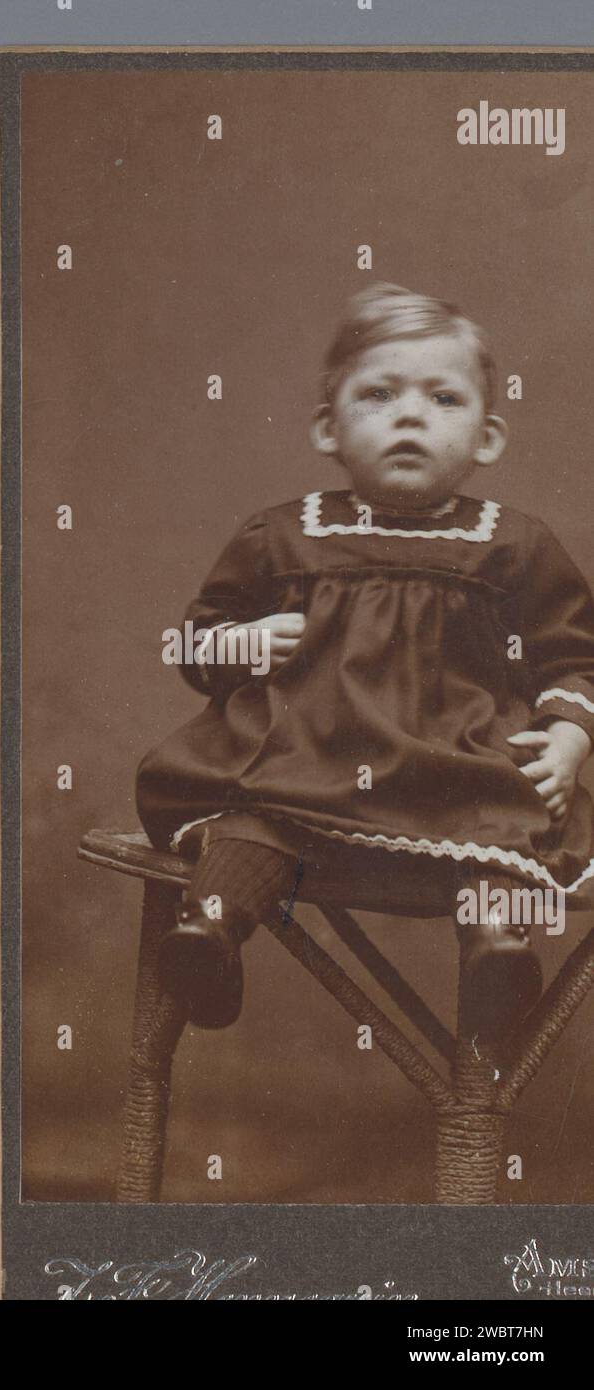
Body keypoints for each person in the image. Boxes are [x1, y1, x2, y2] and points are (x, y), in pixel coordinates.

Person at [136, 283, 594, 1041]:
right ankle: (208, 940)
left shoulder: (514, 545)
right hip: (308, 761)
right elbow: (196, 637)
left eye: (443, 398)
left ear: (487, 438)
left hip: (459, 765)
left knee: (503, 829)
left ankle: (496, 955)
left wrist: (569, 738)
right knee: (255, 822)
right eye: (378, 394)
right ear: (328, 427)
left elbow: (571, 658)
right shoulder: (282, 536)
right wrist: (238, 643)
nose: (409, 415)